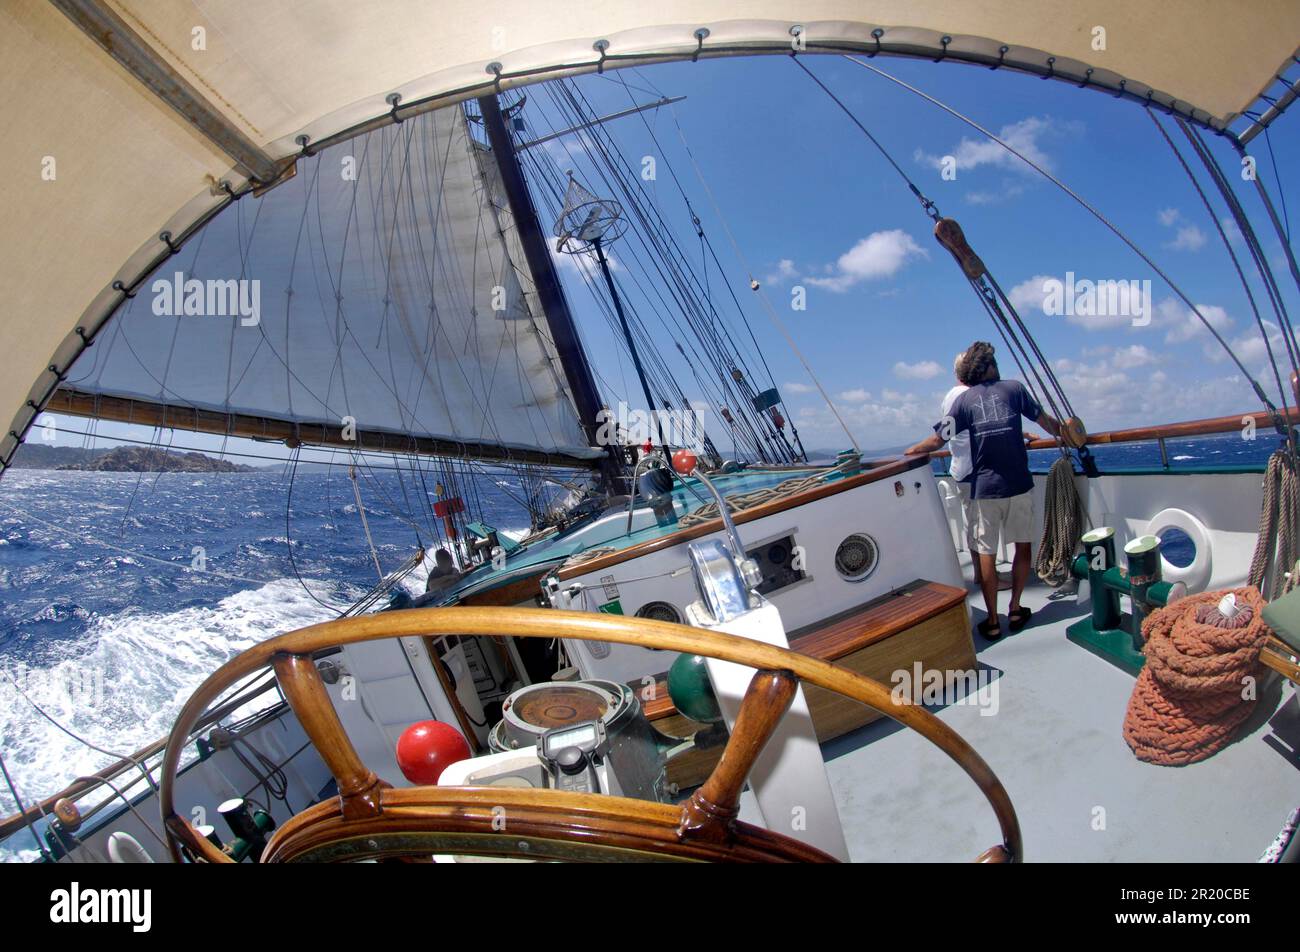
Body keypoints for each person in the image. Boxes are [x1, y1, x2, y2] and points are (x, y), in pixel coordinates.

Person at [906, 341, 1063, 640]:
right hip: (1018, 485)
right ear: (990, 367)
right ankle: (1016, 608)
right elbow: (1047, 422)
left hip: (985, 490)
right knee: (1023, 547)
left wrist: (911, 451)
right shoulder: (1014, 390)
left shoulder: (964, 403)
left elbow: (938, 440)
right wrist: (1067, 432)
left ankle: (992, 620)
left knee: (986, 553)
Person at [940, 352, 983, 589]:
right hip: (974, 469)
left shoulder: (950, 396)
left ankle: (980, 573)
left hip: (960, 468)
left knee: (973, 524)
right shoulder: (970, 395)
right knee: (979, 527)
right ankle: (984, 576)